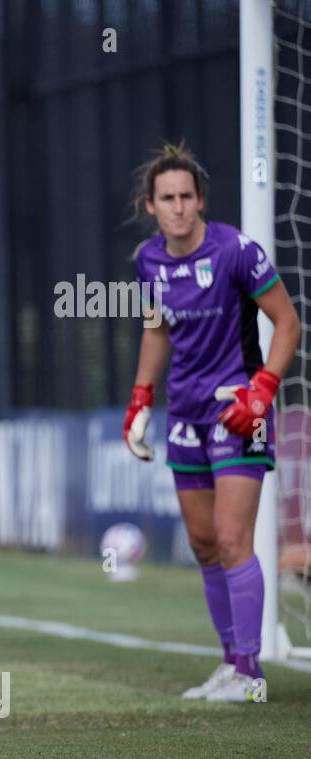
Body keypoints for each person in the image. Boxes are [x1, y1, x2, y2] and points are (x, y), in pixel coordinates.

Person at [124, 143, 299, 702]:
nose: (178, 207)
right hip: (186, 412)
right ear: (150, 205)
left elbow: (288, 323)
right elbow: (157, 330)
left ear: (201, 200)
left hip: (237, 409)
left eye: (186, 197)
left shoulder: (237, 252)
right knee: (202, 543)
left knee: (231, 537)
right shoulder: (148, 259)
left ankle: (250, 674)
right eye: (166, 198)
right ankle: (230, 664)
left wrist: (263, 391)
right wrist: (141, 398)